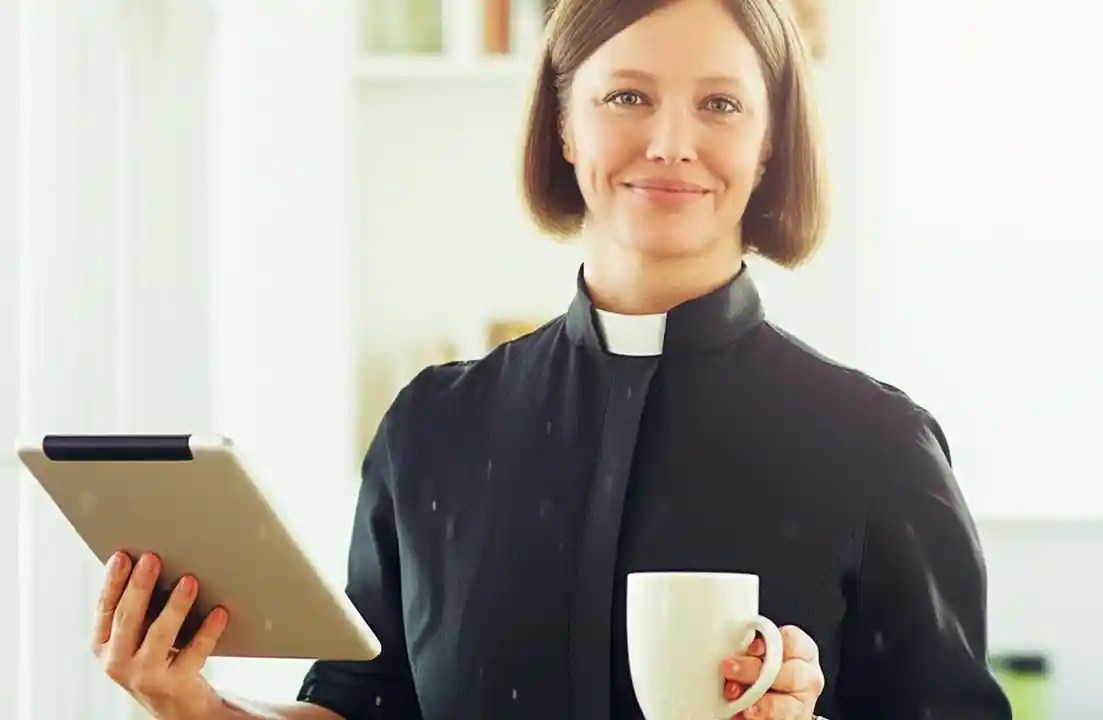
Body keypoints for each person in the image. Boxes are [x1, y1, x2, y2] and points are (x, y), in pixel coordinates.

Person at [92, 0, 1012, 718]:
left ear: (770, 143)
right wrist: (192, 703)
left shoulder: (877, 445)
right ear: (564, 125)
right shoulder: (434, 429)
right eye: (627, 96)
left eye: (721, 104)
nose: (670, 142)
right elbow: (363, 712)